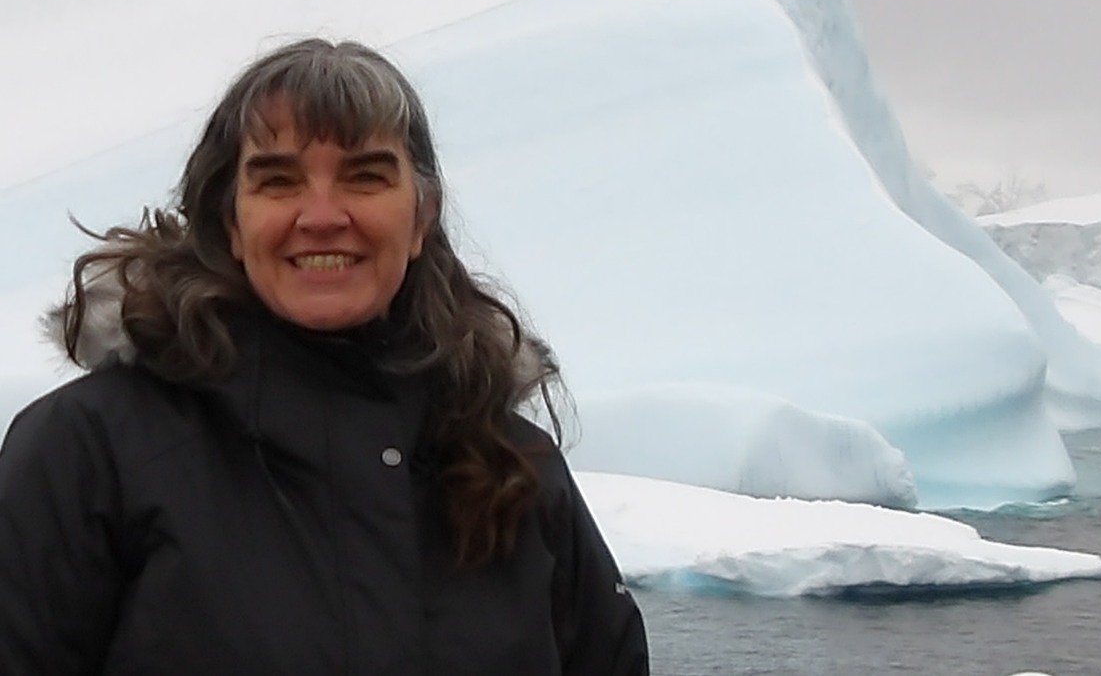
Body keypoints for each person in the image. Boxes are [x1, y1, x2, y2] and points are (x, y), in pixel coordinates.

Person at [0, 38, 649, 675]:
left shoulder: (510, 466)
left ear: (422, 217)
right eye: (278, 181)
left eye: (365, 176)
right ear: (231, 223)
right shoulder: (89, 452)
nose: (321, 216)